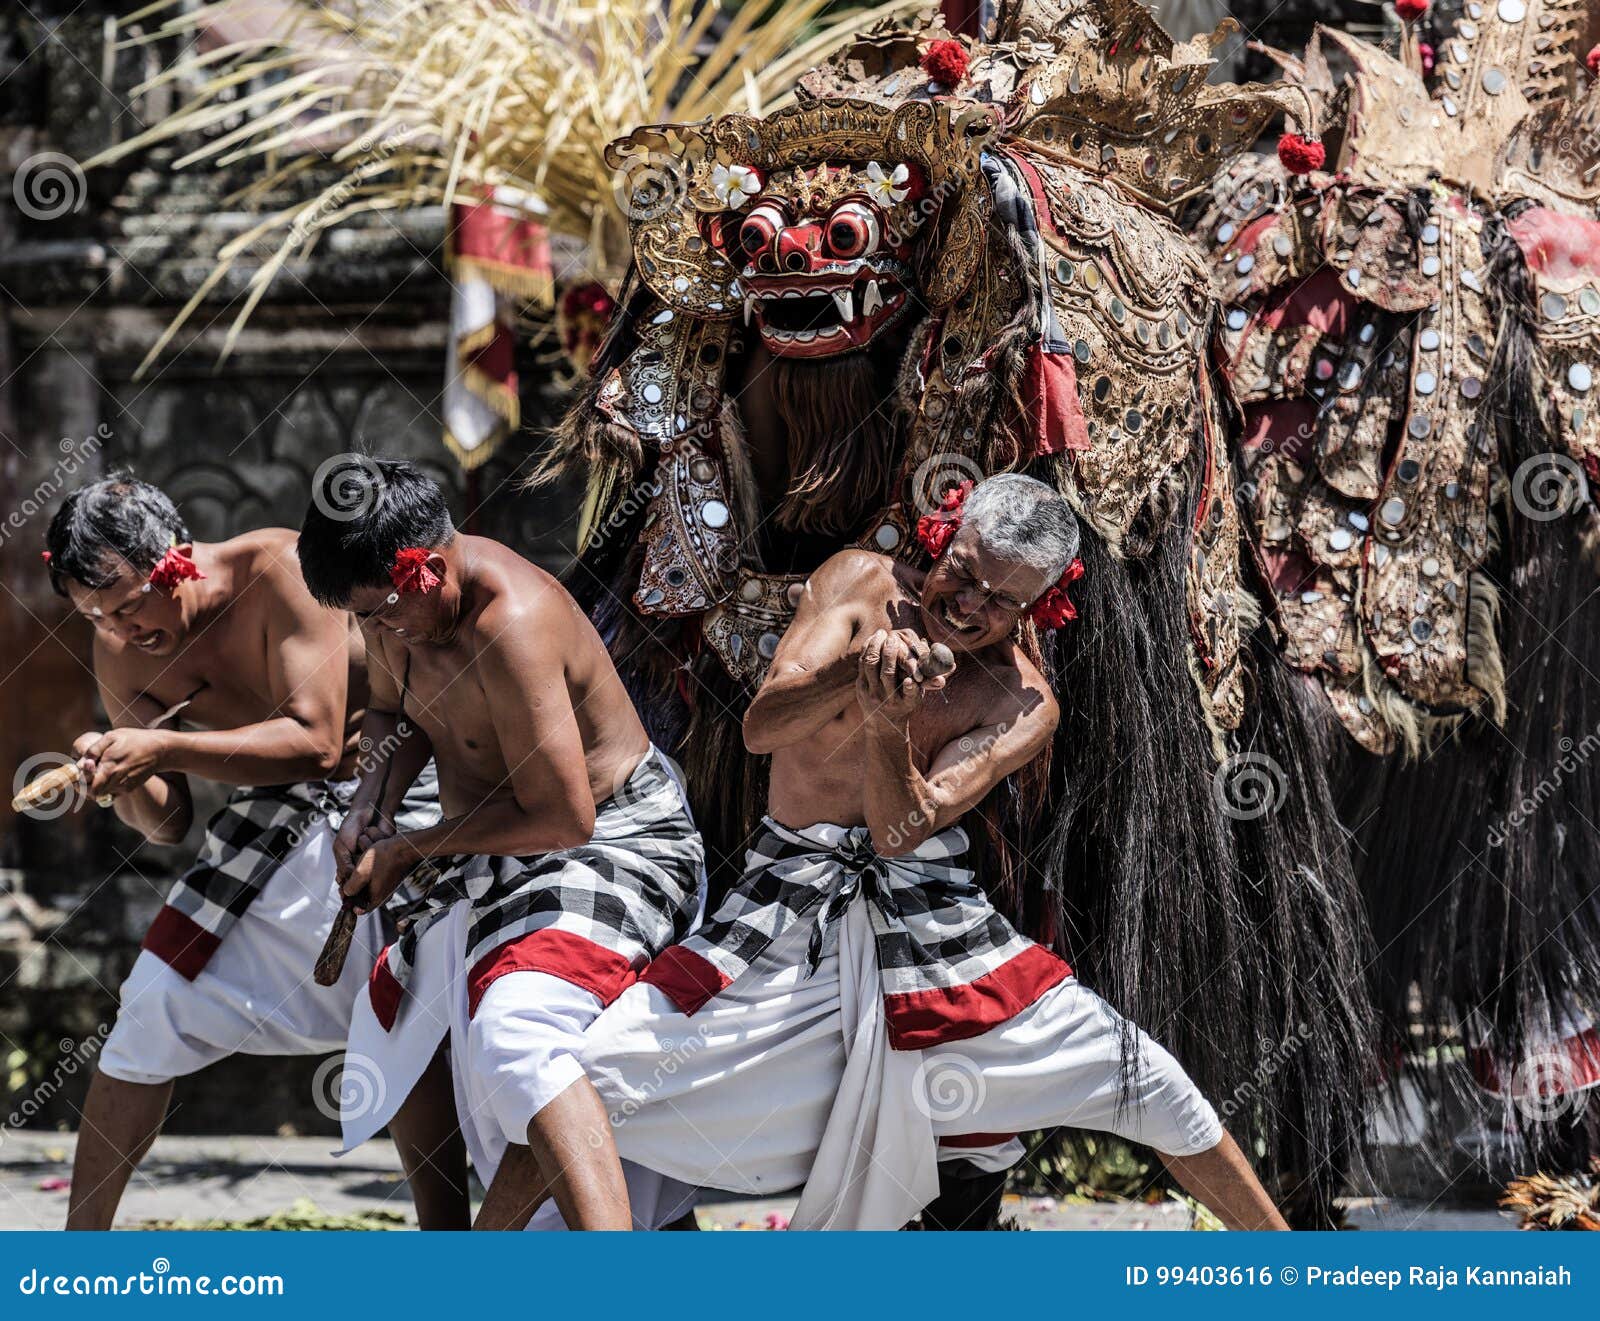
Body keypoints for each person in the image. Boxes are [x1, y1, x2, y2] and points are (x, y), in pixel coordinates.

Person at [476, 473, 1292, 1231]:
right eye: (962, 574)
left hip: (936, 925)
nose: (969, 606)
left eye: (1000, 602)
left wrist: (888, 723)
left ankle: (1300, 1275)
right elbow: (764, 726)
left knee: (1151, 1084)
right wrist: (856, 675)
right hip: (781, 909)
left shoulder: (1023, 700)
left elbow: (906, 830)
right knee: (593, 1071)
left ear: (1037, 611)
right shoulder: (859, 580)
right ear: (943, 535)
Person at [295, 460, 705, 1230]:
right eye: (365, 618)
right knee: (398, 1014)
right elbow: (392, 711)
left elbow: (564, 818)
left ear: (432, 568)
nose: (374, 631)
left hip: (615, 841)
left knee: (518, 1025)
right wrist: (368, 806)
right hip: (496, 847)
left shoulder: (511, 624)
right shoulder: (394, 611)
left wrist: (414, 848)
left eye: (381, 614)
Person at [47, 473, 455, 1230]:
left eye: (131, 606)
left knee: (407, 1007)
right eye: (97, 618)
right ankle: (80, 1252)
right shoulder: (119, 649)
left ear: (176, 560)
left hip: (400, 789)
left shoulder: (277, 569)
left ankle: (453, 1247)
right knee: (151, 1002)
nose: (121, 632)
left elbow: (318, 741)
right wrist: (118, 779)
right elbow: (167, 824)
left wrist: (163, 742)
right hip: (270, 822)